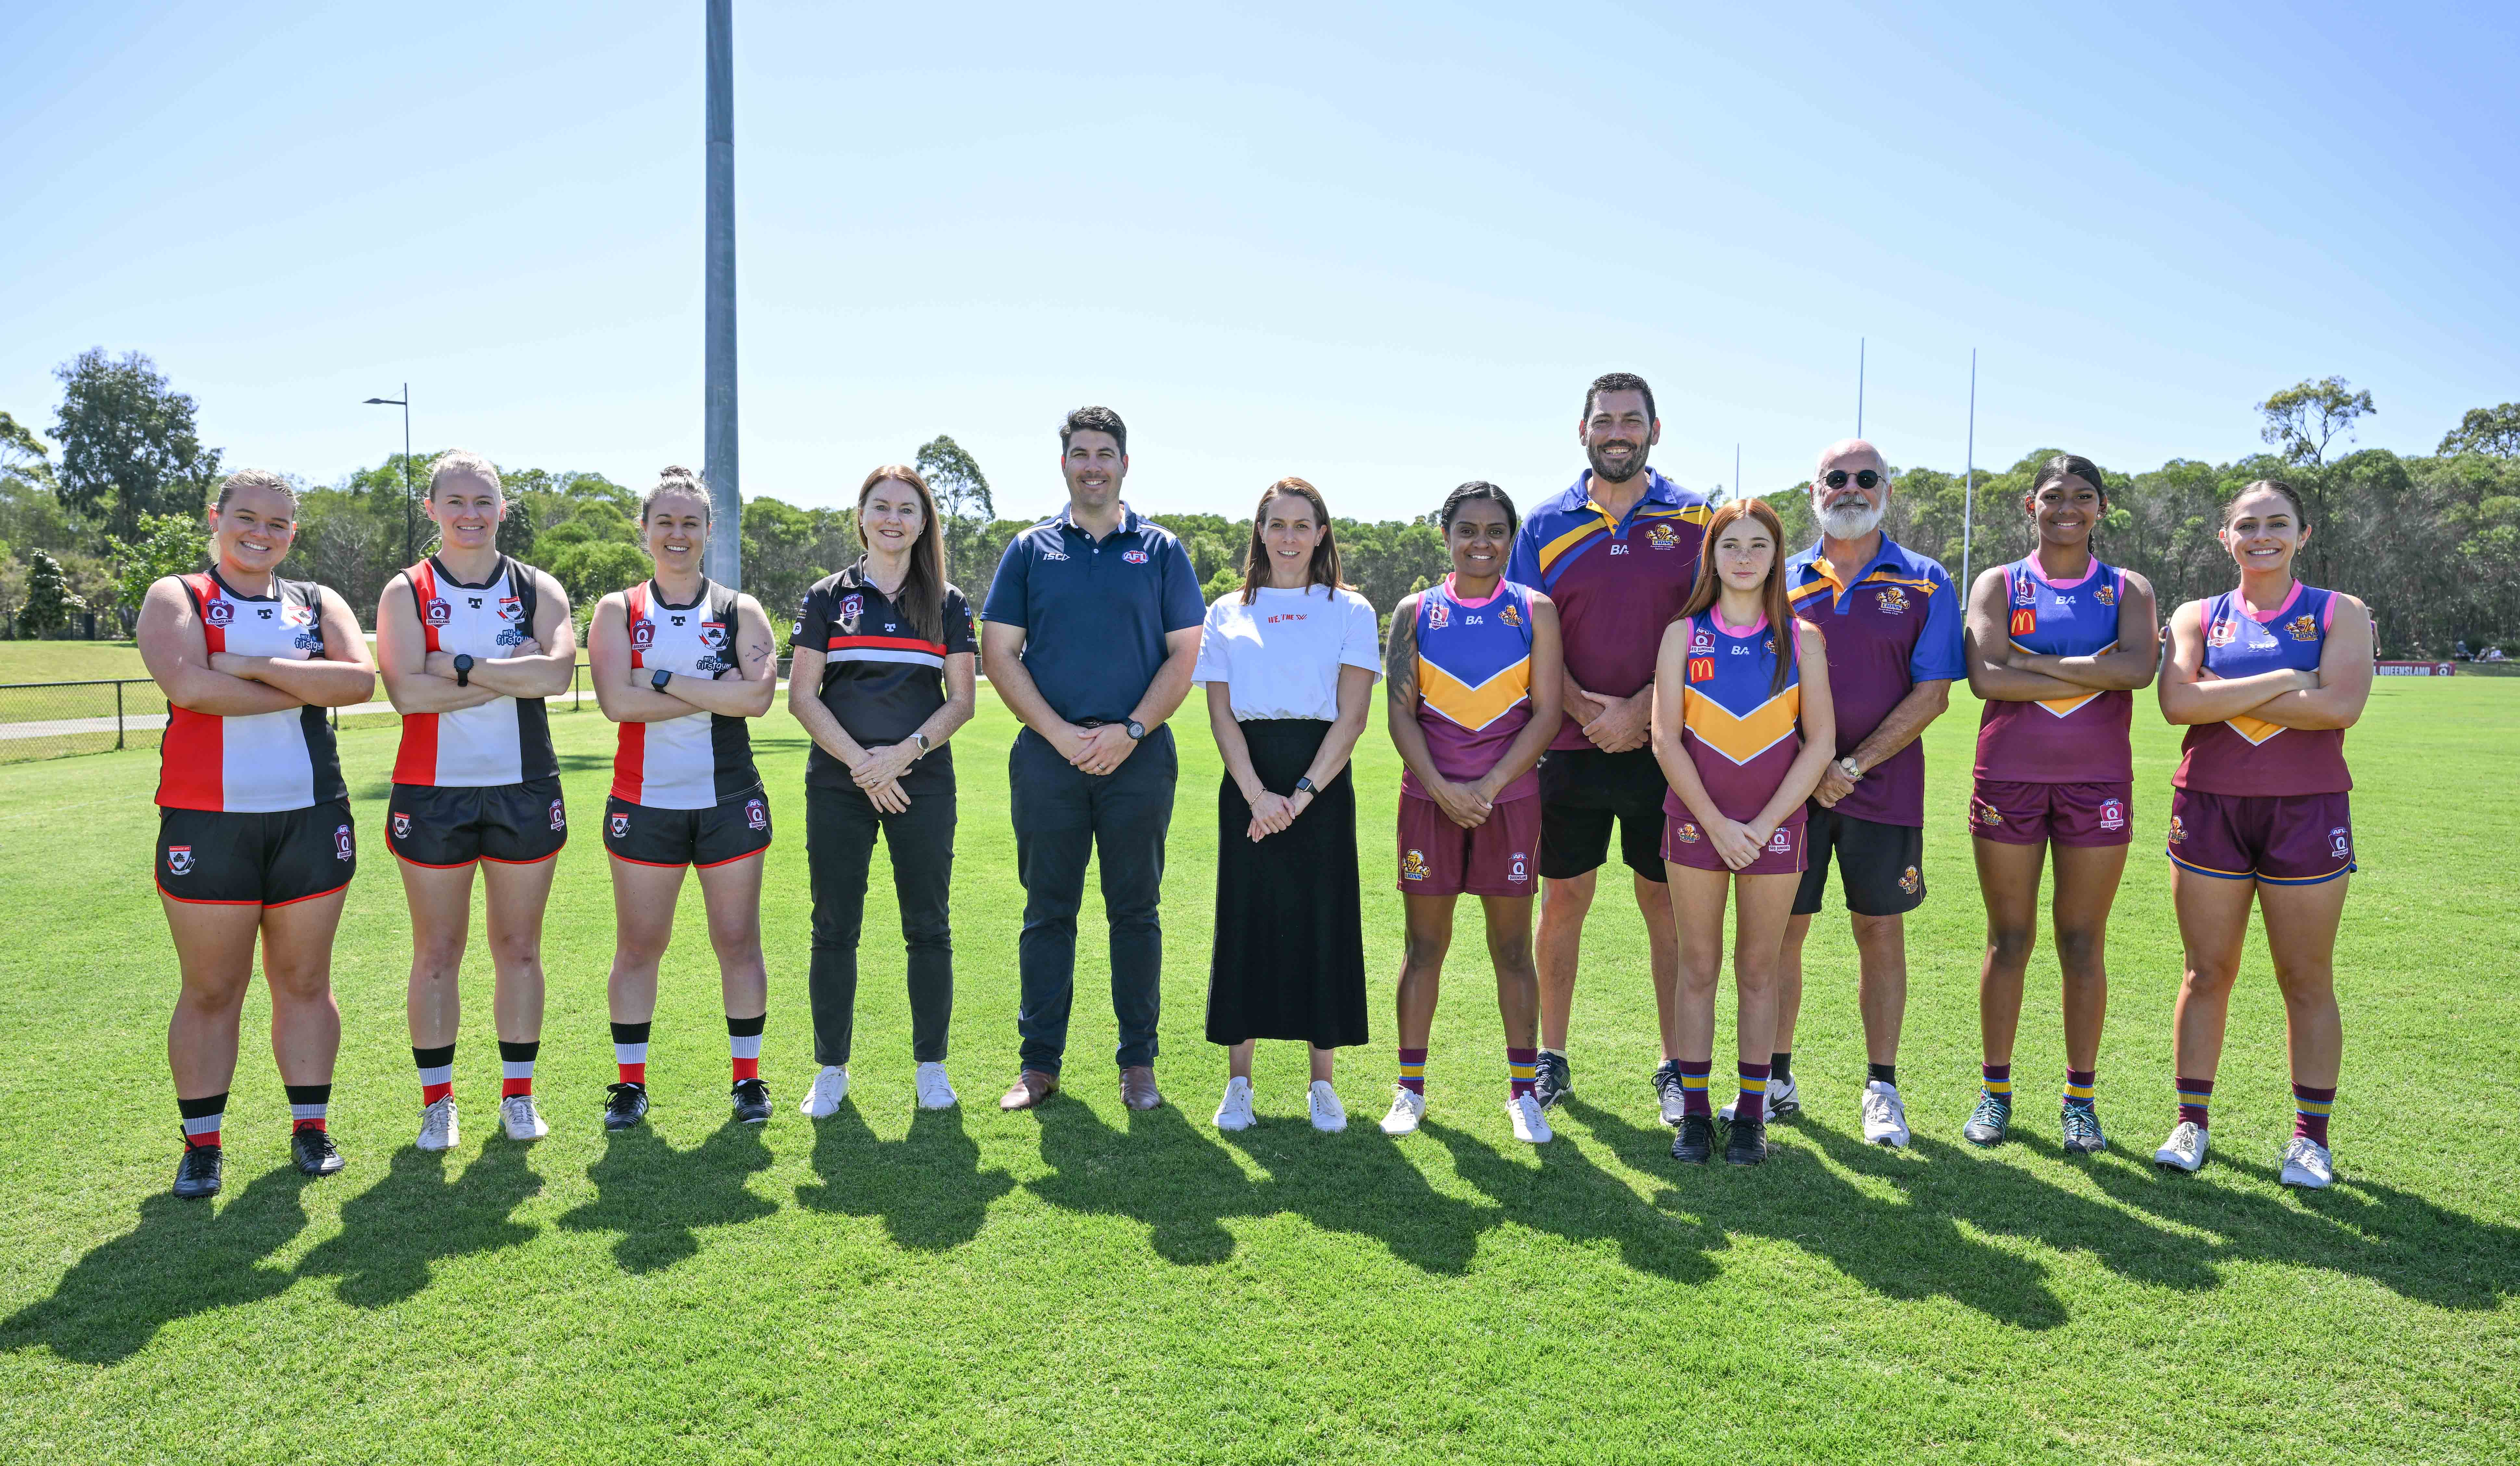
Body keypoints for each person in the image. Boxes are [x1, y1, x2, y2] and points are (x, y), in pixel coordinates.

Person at [138, 469, 377, 1197]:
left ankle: (310, 1128)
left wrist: (246, 663)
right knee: (212, 988)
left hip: (310, 816)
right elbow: (190, 687)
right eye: (247, 517)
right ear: (216, 517)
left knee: (305, 981)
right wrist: (301, 679)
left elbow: (359, 683)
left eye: (277, 524)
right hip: (207, 822)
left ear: (292, 533)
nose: (261, 533)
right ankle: (203, 1145)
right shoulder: (177, 595)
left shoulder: (317, 600)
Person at [1736, 441, 1963, 1147]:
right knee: (1781, 935)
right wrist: (1811, 768)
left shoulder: (1925, 579)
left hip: (1883, 788)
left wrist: (1852, 765)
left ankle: (1882, 1087)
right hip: (1785, 793)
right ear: (1815, 490)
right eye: (1837, 479)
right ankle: (1774, 1078)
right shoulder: (1779, 577)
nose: (1850, 489)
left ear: (1887, 490)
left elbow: (1932, 694)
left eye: (1866, 479)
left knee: (1879, 932)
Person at [981, 406, 1204, 1113]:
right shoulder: (1030, 550)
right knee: (1048, 912)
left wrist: (1130, 730)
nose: (1093, 465)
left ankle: (1138, 1064)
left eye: (1105, 453)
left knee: (1135, 912)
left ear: (1125, 464)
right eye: (1080, 453)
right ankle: (1038, 1065)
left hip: (1137, 757)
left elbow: (1184, 656)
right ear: (1065, 465)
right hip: (1049, 758)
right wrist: (1056, 733)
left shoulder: (1162, 550)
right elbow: (999, 652)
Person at [1506, 372, 1713, 1121]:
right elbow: (1529, 637)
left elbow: (1715, 630)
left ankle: (1672, 1064)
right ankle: (1549, 1057)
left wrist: (1644, 713)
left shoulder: (1698, 517)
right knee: (1563, 898)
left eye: (1631, 419)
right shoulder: (1542, 524)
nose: (1617, 431)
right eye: (1604, 420)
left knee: (1666, 903)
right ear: (1582, 430)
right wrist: (1594, 713)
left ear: (1655, 430)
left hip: (1670, 751)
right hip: (1570, 743)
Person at [2153, 479, 2371, 1189]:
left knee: (2305, 977)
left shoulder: (2340, 612)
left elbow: (2340, 706)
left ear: (2303, 535)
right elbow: (2177, 703)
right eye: (2246, 525)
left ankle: (2310, 1138)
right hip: (2210, 805)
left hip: (2306, 811)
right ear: (2226, 539)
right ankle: (2191, 1122)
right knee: (2205, 970)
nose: (2261, 535)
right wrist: (2287, 676)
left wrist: (2224, 692)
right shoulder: (2197, 613)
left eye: (2277, 523)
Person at [375, 451, 578, 1150]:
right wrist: (507, 672)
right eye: (455, 501)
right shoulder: (406, 589)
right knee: (438, 951)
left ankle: (518, 1097)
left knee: (519, 947)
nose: (470, 514)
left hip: (524, 787)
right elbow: (406, 693)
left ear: (502, 508)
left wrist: (457, 665)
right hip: (432, 793)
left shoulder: (536, 586)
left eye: (484, 501)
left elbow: (555, 675)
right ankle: (439, 1102)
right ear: (431, 509)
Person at [1960, 454, 2158, 1154]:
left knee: (2082, 941)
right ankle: (1995, 1092)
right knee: (2008, 938)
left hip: (2096, 781)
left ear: (2101, 508)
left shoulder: (2126, 587)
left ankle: (2080, 1100)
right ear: (2028, 506)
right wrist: (2090, 671)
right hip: (2009, 778)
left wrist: (2033, 661)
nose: (2066, 507)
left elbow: (2138, 669)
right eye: (2053, 496)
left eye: (2082, 497)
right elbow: (1986, 679)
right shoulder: (1998, 582)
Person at [586, 466, 781, 1130]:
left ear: (709, 532)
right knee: (640, 944)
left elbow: (755, 698)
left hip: (729, 800)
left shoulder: (738, 609)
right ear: (644, 529)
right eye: (664, 521)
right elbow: (618, 702)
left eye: (690, 522)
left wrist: (662, 678)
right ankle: (630, 1085)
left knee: (738, 941)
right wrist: (709, 685)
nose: (677, 533)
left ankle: (748, 1080)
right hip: (644, 803)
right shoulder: (619, 610)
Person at [787, 465, 977, 1116]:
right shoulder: (824, 597)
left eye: (907, 509)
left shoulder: (947, 603)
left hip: (921, 782)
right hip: (839, 785)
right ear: (861, 516)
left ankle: (931, 1066)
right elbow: (801, 696)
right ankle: (832, 1069)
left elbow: (962, 702)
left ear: (924, 523)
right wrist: (862, 765)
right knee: (834, 926)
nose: (893, 518)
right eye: (881, 507)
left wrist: (901, 756)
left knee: (928, 926)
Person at [1379, 482, 1564, 1145]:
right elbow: (1400, 711)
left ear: (1510, 539)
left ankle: (1523, 1093)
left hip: (1508, 801)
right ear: (1446, 535)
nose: (1480, 542)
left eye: (1494, 531)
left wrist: (1486, 783)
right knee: (1423, 946)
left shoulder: (1533, 610)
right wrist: (1440, 785)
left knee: (1513, 949)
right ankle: (1409, 1088)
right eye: (1467, 530)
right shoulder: (1415, 611)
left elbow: (1547, 712)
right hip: (1428, 801)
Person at [1651, 500, 1835, 1166]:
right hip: (1698, 824)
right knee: (1697, 967)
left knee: (1759, 970)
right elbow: (1665, 740)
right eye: (1731, 544)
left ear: (1776, 556)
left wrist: (1758, 826)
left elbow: (1820, 745)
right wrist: (1717, 823)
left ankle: (1751, 1115)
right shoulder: (1682, 635)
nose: (1744, 557)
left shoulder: (1802, 638)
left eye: (1759, 545)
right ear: (1713, 556)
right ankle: (1695, 1114)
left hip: (1774, 830)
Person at [1193, 478, 1379, 1134]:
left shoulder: (1350, 609)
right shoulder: (1225, 610)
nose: (1291, 537)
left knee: (1322, 923)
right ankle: (1238, 1083)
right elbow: (1220, 715)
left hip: (1320, 783)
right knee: (1244, 922)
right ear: (1261, 532)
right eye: (1279, 524)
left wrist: (1296, 800)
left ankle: (1321, 1086)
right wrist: (1254, 794)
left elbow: (1352, 718)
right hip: (1248, 779)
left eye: (1304, 525)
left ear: (1322, 532)